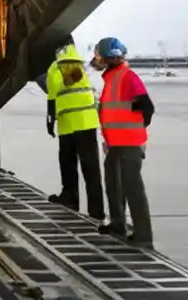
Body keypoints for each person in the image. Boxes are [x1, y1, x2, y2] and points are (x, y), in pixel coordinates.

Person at [93, 37, 154, 248]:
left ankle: (143, 235)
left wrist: (133, 130)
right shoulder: (112, 79)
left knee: (132, 187)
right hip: (116, 143)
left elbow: (147, 107)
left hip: (128, 143)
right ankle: (118, 224)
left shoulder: (127, 77)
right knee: (113, 182)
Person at [45, 39, 104, 221]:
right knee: (91, 167)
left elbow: (53, 95)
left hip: (68, 122)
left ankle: (70, 198)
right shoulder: (79, 64)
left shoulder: (56, 67)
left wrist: (50, 119)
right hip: (86, 121)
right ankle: (97, 210)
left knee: (67, 162)